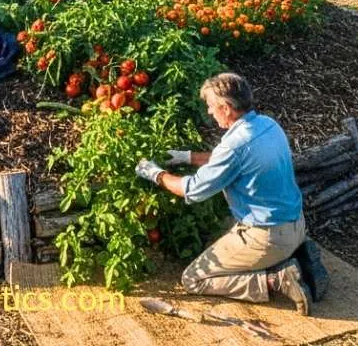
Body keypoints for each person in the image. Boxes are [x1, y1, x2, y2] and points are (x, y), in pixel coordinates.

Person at [135, 72, 326, 314]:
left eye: (211, 107)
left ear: (226, 108)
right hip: (296, 225)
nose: (210, 113)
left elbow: (191, 189)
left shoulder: (234, 146)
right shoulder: (268, 125)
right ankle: (298, 255)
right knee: (223, 229)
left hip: (268, 237)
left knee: (193, 279)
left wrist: (155, 174)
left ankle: (276, 280)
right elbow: (230, 160)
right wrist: (185, 157)